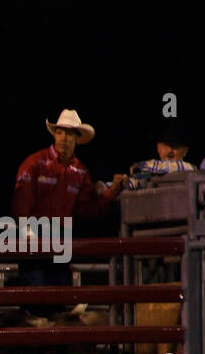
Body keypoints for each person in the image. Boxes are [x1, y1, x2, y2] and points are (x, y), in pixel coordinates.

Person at [12, 108, 127, 288]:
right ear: (55, 135)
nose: (64, 138)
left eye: (69, 134)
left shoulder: (80, 172)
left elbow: (87, 210)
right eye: (60, 132)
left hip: (62, 235)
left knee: (57, 294)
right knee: (37, 290)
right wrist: (27, 235)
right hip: (35, 234)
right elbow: (21, 203)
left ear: (76, 139)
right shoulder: (34, 164)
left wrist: (111, 191)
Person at [125, 124, 195, 190]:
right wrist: (124, 182)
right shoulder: (151, 173)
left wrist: (143, 166)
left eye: (175, 146)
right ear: (158, 148)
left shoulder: (190, 168)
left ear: (185, 151)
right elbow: (134, 183)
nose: (169, 151)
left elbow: (167, 167)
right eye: (165, 145)